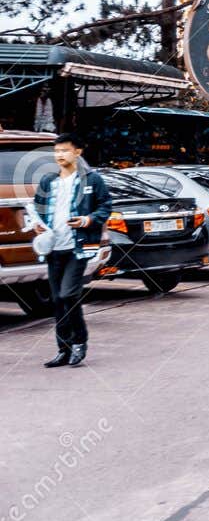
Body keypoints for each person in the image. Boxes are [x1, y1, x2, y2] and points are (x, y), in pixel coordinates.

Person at [27, 133, 110, 369]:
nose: (59, 155)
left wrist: (87, 220)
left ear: (78, 152)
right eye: (56, 151)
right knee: (56, 300)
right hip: (54, 248)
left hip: (78, 248)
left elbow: (105, 206)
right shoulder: (48, 181)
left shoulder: (92, 180)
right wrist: (37, 223)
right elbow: (38, 208)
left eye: (64, 150)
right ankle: (62, 349)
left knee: (67, 295)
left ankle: (79, 342)